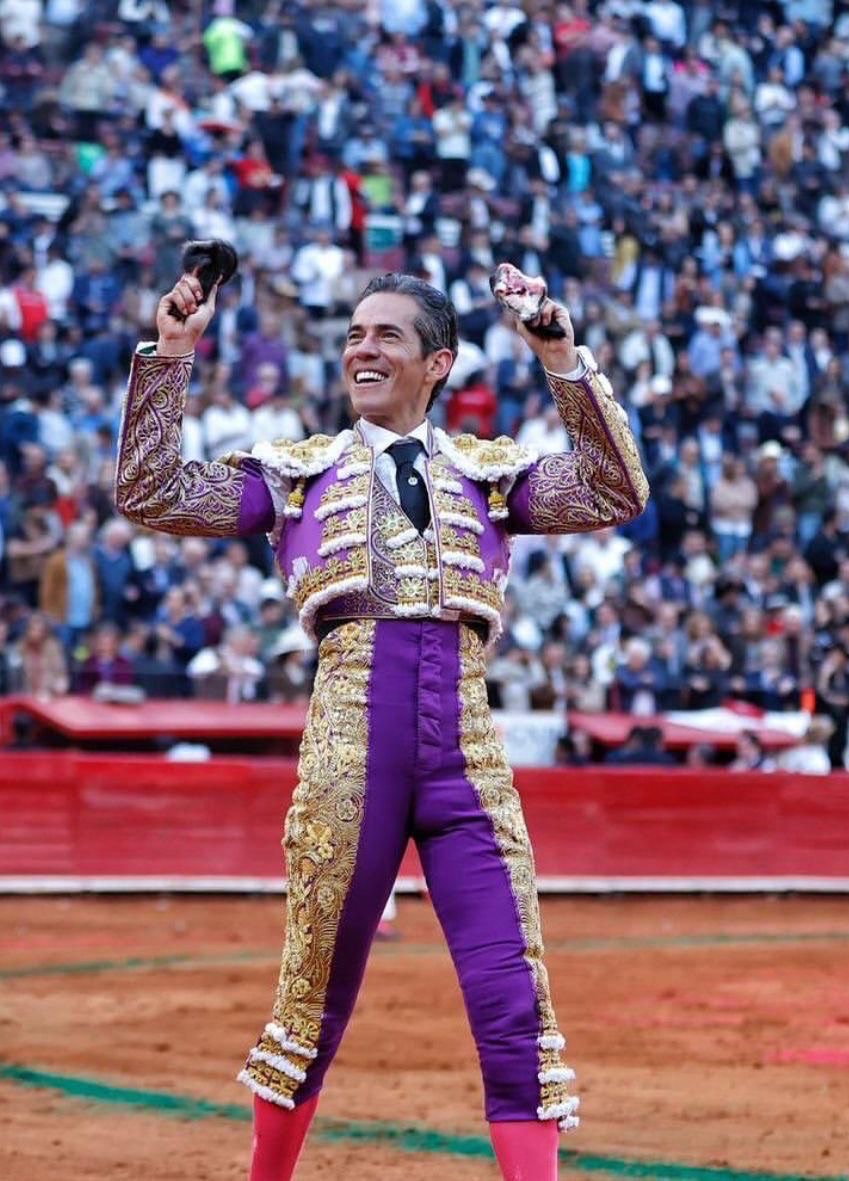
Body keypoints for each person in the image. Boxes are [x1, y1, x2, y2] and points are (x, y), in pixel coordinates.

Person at [115, 263, 648, 1181]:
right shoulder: (295, 475)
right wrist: (171, 355)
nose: (362, 348)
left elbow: (612, 492)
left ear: (436, 362)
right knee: (309, 999)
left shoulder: (489, 476)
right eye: (355, 334)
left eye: (386, 336)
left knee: (512, 995)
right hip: (348, 751)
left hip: (467, 758)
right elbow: (150, 492)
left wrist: (560, 356)